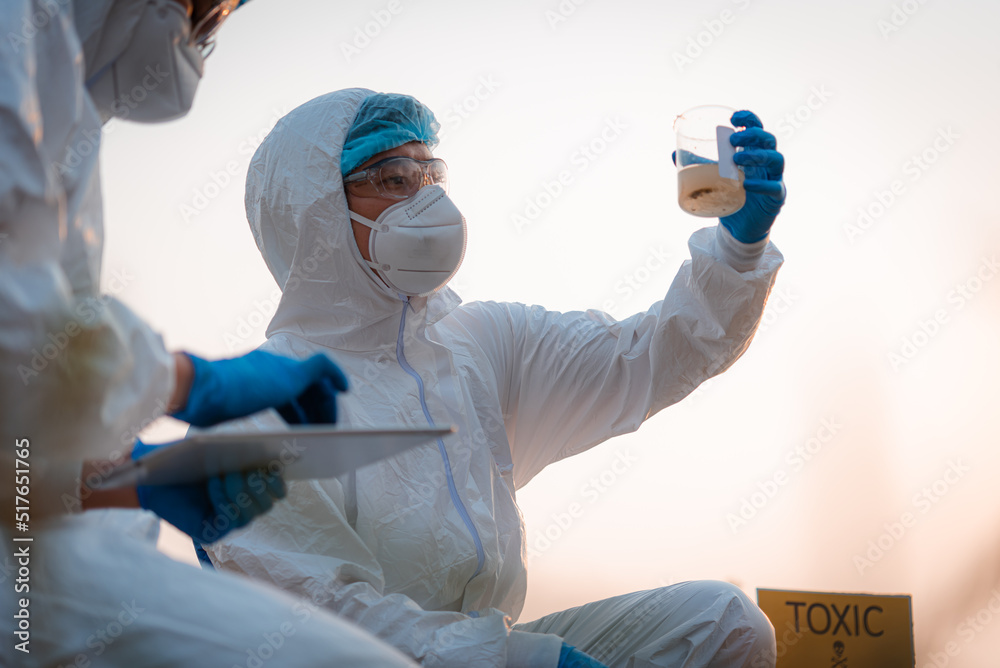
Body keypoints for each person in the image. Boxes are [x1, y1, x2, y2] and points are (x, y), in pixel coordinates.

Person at [199, 88, 787, 668]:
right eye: (393, 179)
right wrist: (522, 661)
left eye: (432, 177)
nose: (427, 203)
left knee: (721, 623)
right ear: (315, 211)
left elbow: (648, 357)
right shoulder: (255, 415)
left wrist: (736, 251)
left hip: (495, 649)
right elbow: (320, 625)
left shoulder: (476, 345)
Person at [0, 2, 416, 666]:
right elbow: (19, 337)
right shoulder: (22, 27)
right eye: (393, 179)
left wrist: (123, 478)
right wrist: (199, 382)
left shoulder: (60, 100)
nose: (211, 27)